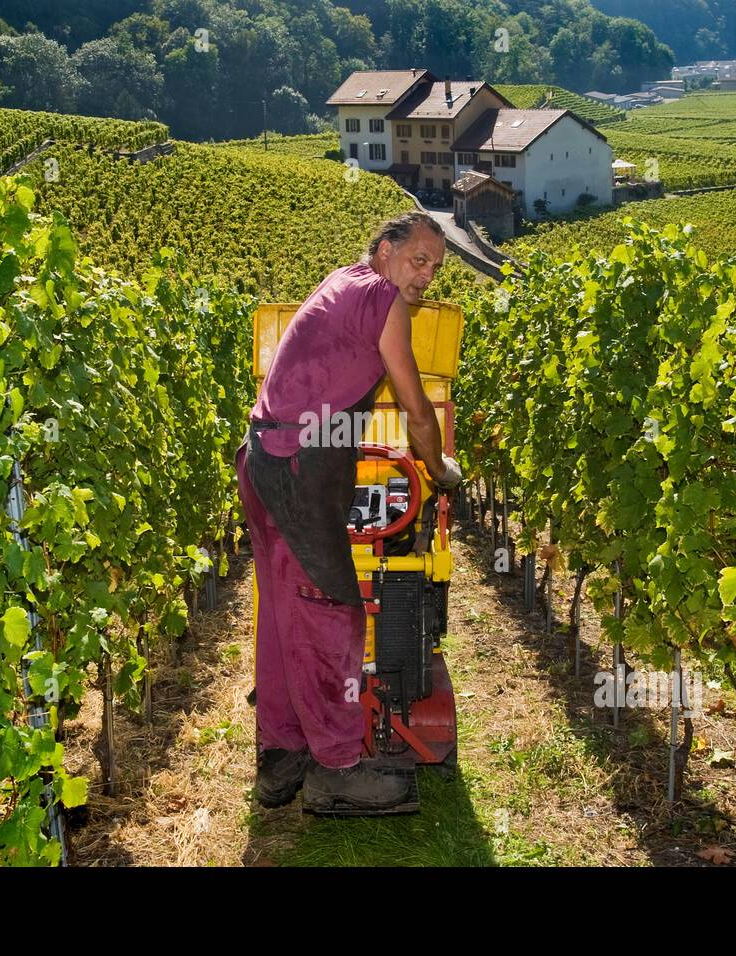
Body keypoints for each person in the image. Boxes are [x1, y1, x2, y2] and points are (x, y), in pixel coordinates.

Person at [235, 211, 463, 811]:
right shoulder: (381, 298)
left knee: (284, 615)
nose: (426, 276)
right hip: (295, 472)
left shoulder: (343, 282)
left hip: (264, 460)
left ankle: (282, 754)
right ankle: (337, 766)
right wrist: (440, 470)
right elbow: (416, 409)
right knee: (332, 613)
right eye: (419, 259)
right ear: (386, 250)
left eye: (436, 268)